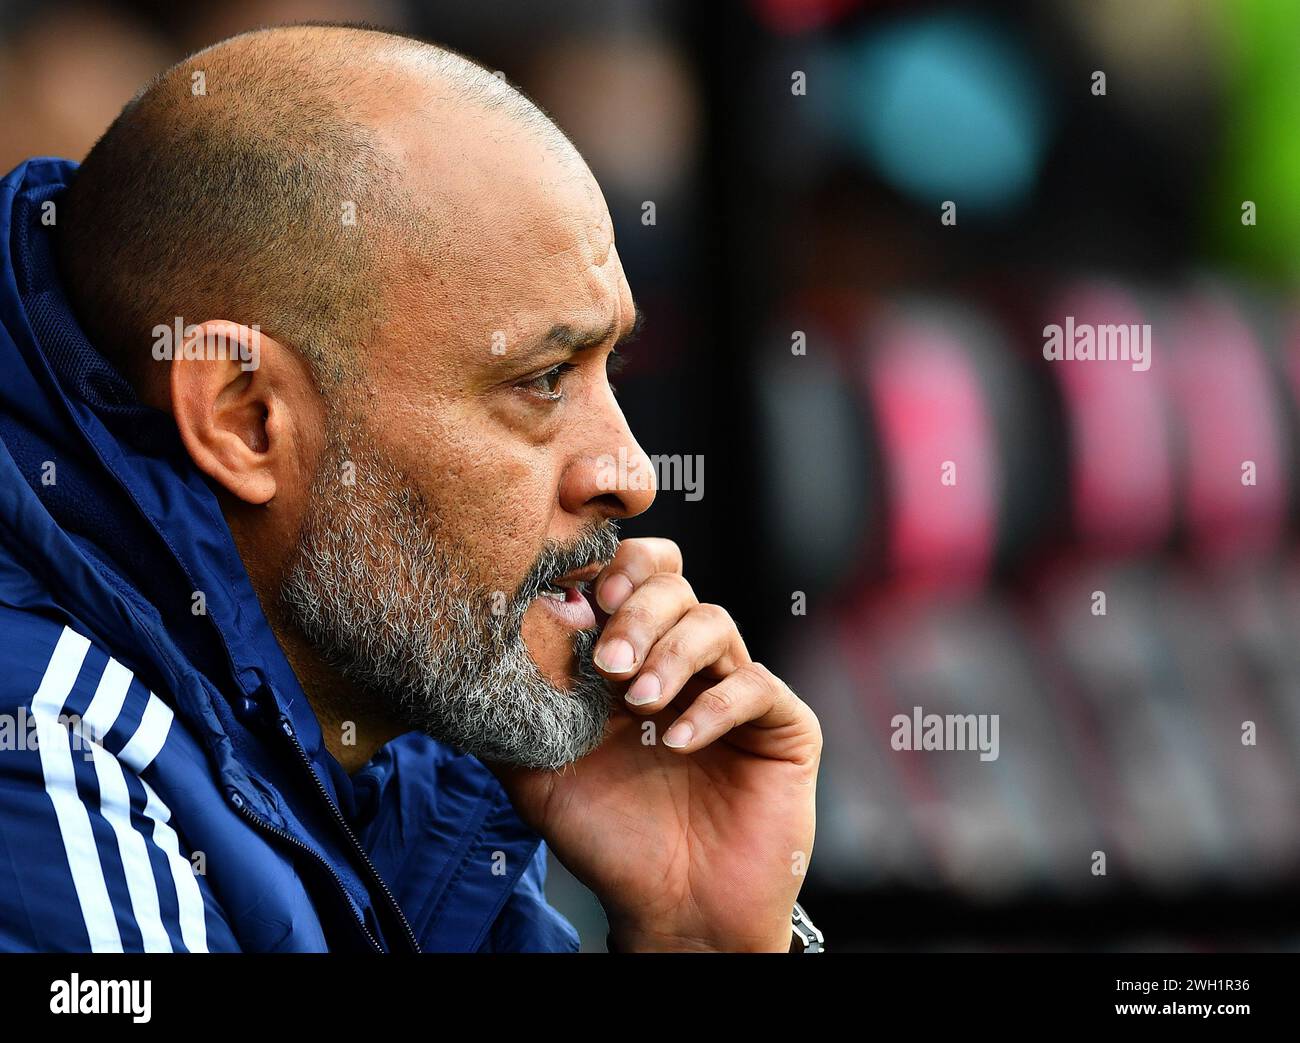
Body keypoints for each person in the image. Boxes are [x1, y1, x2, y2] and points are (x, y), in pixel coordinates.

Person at [0, 23, 822, 952]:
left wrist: (699, 932)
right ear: (247, 418)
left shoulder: (401, 766)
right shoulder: (45, 747)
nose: (631, 475)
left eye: (611, 367)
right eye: (544, 380)